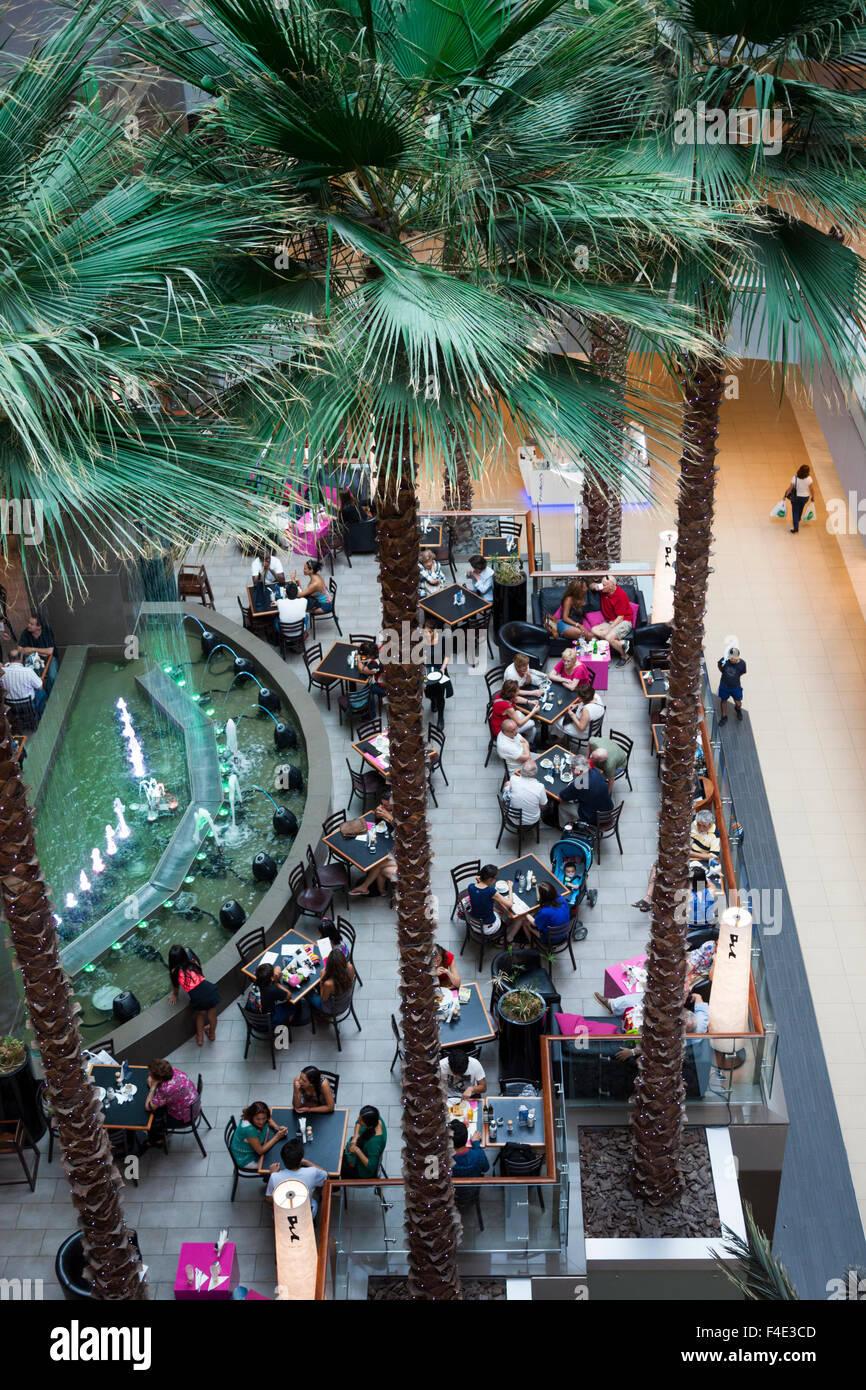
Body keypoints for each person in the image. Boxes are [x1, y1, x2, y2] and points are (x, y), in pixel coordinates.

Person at [167, 945, 220, 1044]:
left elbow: (176, 986)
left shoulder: (174, 972)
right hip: (209, 990)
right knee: (212, 1015)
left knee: (200, 1014)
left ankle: (200, 1038)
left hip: (197, 997)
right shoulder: (193, 962)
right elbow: (201, 974)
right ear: (184, 955)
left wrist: (175, 995)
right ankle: (212, 1034)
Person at [265, 1137, 328, 1216]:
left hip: (284, 1216)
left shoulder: (274, 1177)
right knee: (314, 1200)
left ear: (283, 1159)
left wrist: (273, 1174)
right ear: (301, 1158)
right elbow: (325, 1174)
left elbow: (269, 1198)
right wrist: (307, 1162)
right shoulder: (312, 1172)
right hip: (306, 1215)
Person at [144, 1059, 200, 1136]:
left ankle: (158, 1140)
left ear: (160, 1079)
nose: (149, 1074)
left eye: (150, 1074)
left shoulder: (166, 1089)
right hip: (192, 1106)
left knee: (151, 1120)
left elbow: (149, 1106)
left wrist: (153, 1087)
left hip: (185, 1117)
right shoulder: (174, 1071)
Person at [586, 575, 633, 665]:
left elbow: (620, 617)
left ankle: (625, 656)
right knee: (593, 630)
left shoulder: (621, 595)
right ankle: (622, 643)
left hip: (624, 621)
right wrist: (596, 586)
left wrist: (608, 629)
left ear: (612, 586)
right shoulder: (604, 590)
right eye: (602, 584)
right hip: (610, 621)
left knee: (608, 637)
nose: (602, 587)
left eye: (604, 585)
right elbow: (591, 585)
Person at [558, 755, 613, 829]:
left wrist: (572, 787)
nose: (571, 769)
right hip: (607, 810)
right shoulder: (596, 771)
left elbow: (561, 797)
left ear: (579, 771)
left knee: (562, 806)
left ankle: (564, 828)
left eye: (572, 768)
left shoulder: (579, 784)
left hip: (593, 818)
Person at [230, 1101, 287, 1169]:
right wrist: (277, 1137)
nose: (261, 1122)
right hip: (246, 1158)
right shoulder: (249, 1129)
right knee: (273, 1166)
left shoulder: (253, 1114)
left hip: (255, 1147)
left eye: (263, 1118)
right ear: (252, 1117)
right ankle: (267, 1177)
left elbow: (269, 1119)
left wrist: (277, 1127)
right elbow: (260, 1151)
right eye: (258, 1119)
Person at [467, 863, 514, 938]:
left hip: (473, 923)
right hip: (488, 928)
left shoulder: (470, 887)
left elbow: (478, 878)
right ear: (490, 879)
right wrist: (510, 887)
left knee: (491, 904)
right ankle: (507, 934)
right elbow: (510, 904)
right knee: (505, 914)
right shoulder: (491, 892)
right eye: (495, 878)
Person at [310, 947, 356, 1021]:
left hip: (333, 1008)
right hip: (346, 1000)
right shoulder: (350, 968)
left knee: (309, 995)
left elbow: (323, 999)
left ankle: (319, 1015)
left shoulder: (328, 984)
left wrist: (322, 979)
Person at [420, 623, 453, 726]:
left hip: (440, 670)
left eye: (429, 632)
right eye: (425, 631)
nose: (427, 634)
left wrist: (443, 668)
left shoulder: (442, 639)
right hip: (427, 671)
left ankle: (440, 717)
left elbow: (447, 655)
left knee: (440, 695)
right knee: (428, 692)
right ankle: (433, 702)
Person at [247, 960, 296, 1027]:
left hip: (252, 1018)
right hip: (266, 1023)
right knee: (293, 1005)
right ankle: (285, 1025)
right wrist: (277, 984)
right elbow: (289, 995)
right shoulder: (272, 990)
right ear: (272, 978)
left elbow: (277, 967)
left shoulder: (257, 981)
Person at [341, 1105, 387, 1178]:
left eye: (361, 1120)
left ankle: (335, 1188)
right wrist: (355, 1136)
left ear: (368, 1124)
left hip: (363, 1171)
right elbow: (358, 1122)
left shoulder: (373, 1143)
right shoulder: (376, 1118)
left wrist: (357, 1150)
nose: (358, 1119)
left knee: (337, 1167)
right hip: (362, 1151)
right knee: (340, 1156)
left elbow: (371, 1166)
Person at [17, 614, 58, 694]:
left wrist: (32, 649)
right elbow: (20, 650)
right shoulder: (26, 632)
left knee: (52, 677)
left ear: (39, 627)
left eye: (31, 624)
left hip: (50, 658)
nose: (28, 625)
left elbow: (50, 651)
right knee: (28, 677)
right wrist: (41, 652)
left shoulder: (47, 631)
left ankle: (51, 695)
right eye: (29, 623)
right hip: (32, 659)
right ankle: (39, 696)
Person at [505, 759, 549, 827]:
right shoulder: (540, 787)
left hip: (513, 817)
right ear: (535, 774)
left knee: (507, 784)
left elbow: (509, 789)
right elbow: (543, 805)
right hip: (531, 819)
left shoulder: (513, 779)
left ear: (521, 770)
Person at [1, 648, 45, 715]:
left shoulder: (2, 672)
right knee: (42, 692)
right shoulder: (28, 671)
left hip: (11, 707)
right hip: (27, 706)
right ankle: (40, 716)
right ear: (21, 658)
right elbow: (40, 687)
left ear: (8, 659)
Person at [491, 679, 536, 743]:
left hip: (504, 720)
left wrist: (529, 702)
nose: (518, 692)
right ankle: (525, 744)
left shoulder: (504, 693)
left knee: (533, 730)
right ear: (512, 694)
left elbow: (516, 699)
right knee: (532, 723)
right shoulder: (507, 706)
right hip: (502, 729)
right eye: (517, 691)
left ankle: (528, 744)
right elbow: (520, 723)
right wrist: (533, 712)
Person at [530, 881, 572, 947]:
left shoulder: (545, 912)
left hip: (551, 939)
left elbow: (535, 924)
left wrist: (525, 914)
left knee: (525, 921)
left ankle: (532, 945)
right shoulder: (561, 898)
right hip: (564, 933)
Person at [717, 646, 747, 725]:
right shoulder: (725, 660)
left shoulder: (742, 663)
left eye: (734, 658)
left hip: (736, 687)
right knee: (723, 701)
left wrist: (735, 677)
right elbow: (719, 665)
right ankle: (724, 716)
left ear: (737, 657)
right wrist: (724, 672)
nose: (732, 659)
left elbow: (742, 672)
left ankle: (738, 709)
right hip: (724, 685)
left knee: (738, 703)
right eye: (731, 658)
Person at [786, 463, 814, 533]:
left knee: (795, 512)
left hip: (796, 498)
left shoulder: (795, 478)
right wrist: (813, 496)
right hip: (805, 498)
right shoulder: (809, 479)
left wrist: (786, 495)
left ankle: (796, 528)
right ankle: (798, 519)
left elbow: (790, 488)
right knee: (801, 508)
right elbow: (811, 489)